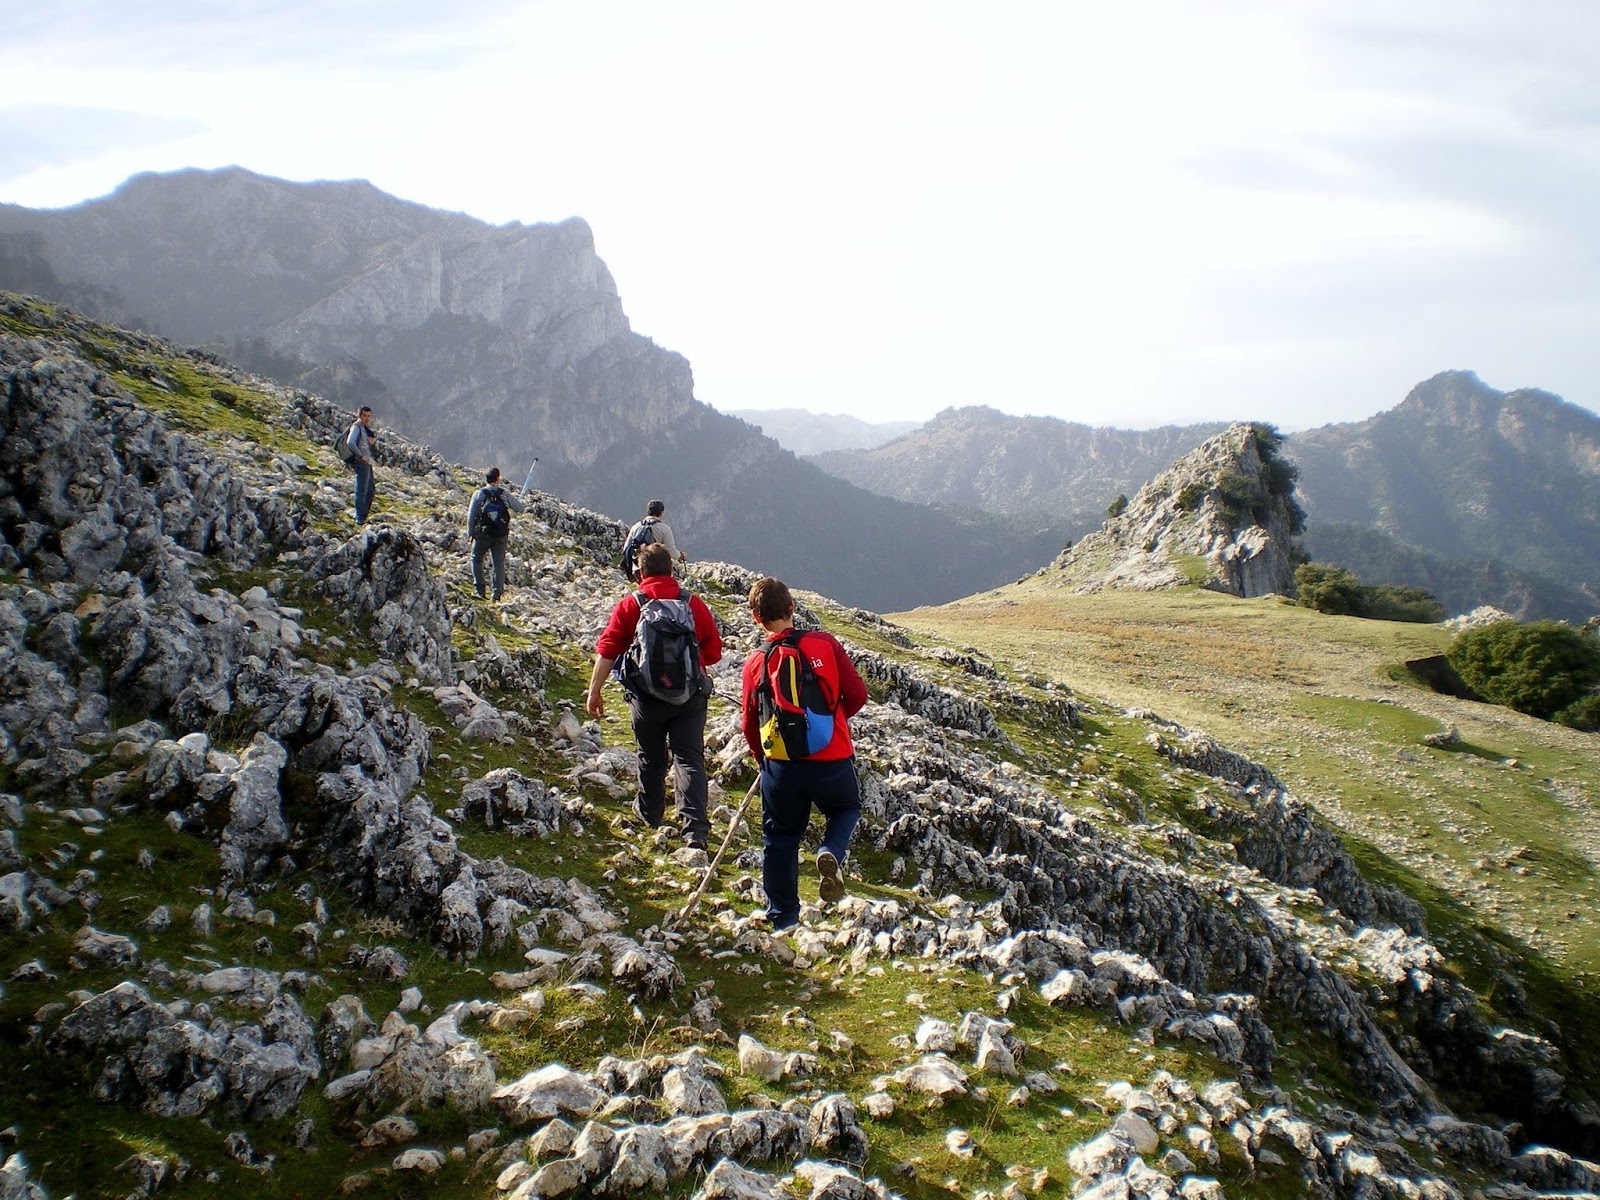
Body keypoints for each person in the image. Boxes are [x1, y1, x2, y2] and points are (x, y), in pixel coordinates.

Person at [739, 576, 868, 930]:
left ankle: (783, 917)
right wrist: (831, 721)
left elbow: (750, 722)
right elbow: (857, 694)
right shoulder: (824, 644)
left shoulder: (755, 662)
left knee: (780, 837)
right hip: (831, 757)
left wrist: (761, 758)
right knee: (846, 807)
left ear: (755, 617)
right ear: (792, 608)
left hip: (781, 764)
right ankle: (831, 851)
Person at [586, 542, 723, 849]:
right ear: (671, 570)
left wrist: (594, 691)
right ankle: (696, 832)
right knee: (689, 758)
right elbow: (713, 652)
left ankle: (650, 814)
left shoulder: (631, 604)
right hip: (689, 697)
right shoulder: (693, 603)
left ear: (640, 573)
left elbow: (608, 649)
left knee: (651, 755)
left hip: (646, 698)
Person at [466, 467, 526, 600]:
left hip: (483, 533)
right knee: (498, 563)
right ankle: (496, 594)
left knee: (476, 559)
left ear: (486, 479)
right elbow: (520, 508)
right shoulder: (504, 494)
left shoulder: (478, 494)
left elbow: (471, 515)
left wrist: (470, 533)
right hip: (500, 534)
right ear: (497, 479)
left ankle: (479, 590)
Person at [623, 500, 687, 580]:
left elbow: (626, 548)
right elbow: (671, 552)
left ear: (648, 512)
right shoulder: (664, 529)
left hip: (638, 569)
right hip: (656, 571)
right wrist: (681, 555)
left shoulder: (636, 526)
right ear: (661, 513)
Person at [346, 405, 377, 523]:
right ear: (359, 415)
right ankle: (360, 518)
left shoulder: (363, 428)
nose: (367, 418)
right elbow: (350, 442)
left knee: (370, 489)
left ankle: (363, 514)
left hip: (366, 463)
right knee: (362, 490)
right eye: (364, 415)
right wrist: (360, 455)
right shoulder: (356, 427)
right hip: (361, 463)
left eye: (369, 416)